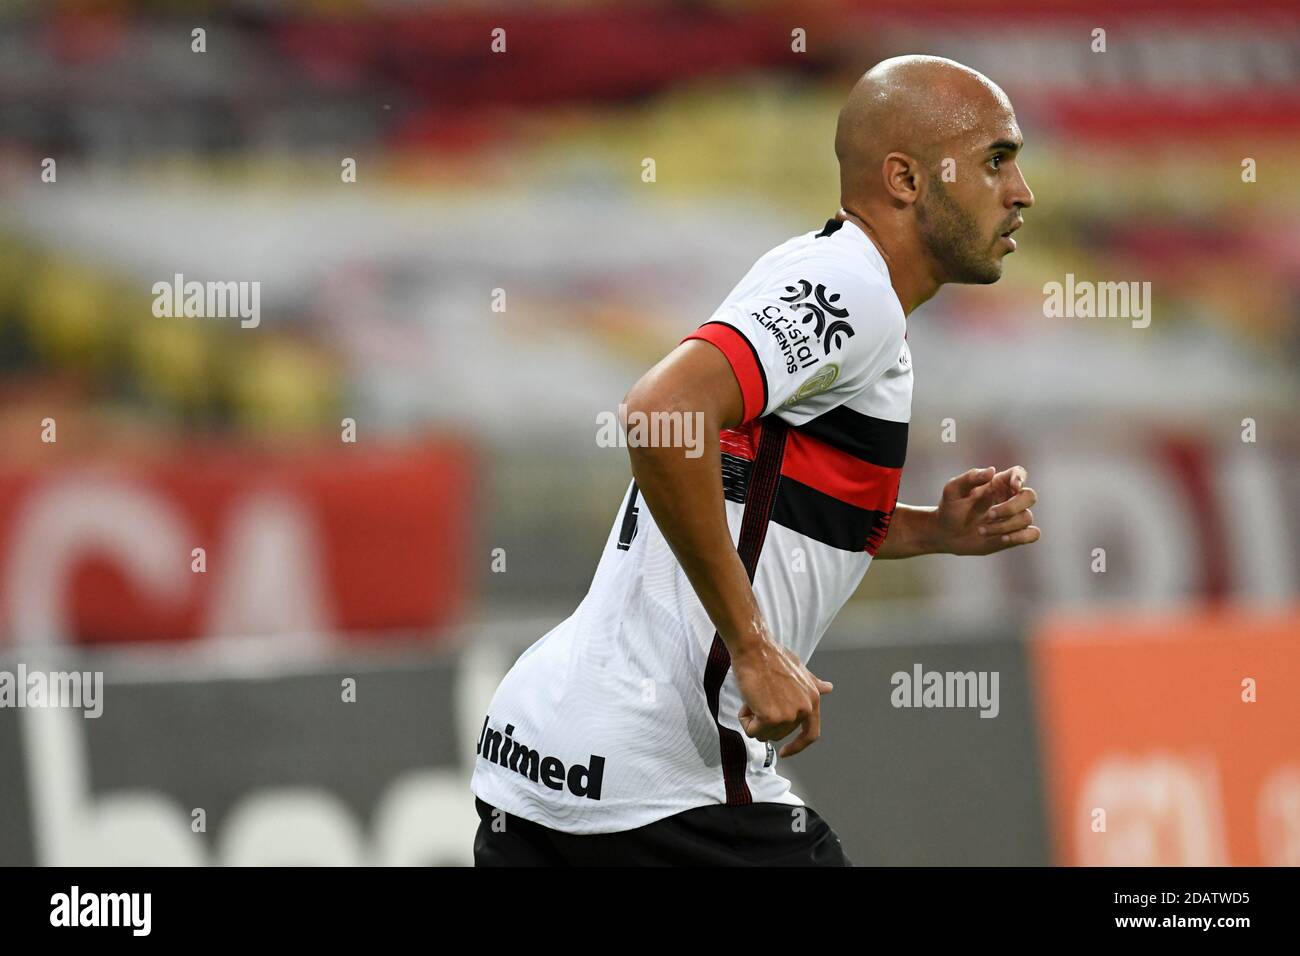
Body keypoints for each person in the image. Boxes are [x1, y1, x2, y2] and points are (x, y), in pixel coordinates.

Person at [471, 54, 1041, 866]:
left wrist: (927, 529)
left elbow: (749, 490)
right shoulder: (854, 292)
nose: (1022, 191)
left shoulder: (823, 271)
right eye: (996, 159)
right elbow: (662, 416)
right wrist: (752, 647)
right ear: (907, 180)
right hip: (661, 780)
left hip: (548, 762)